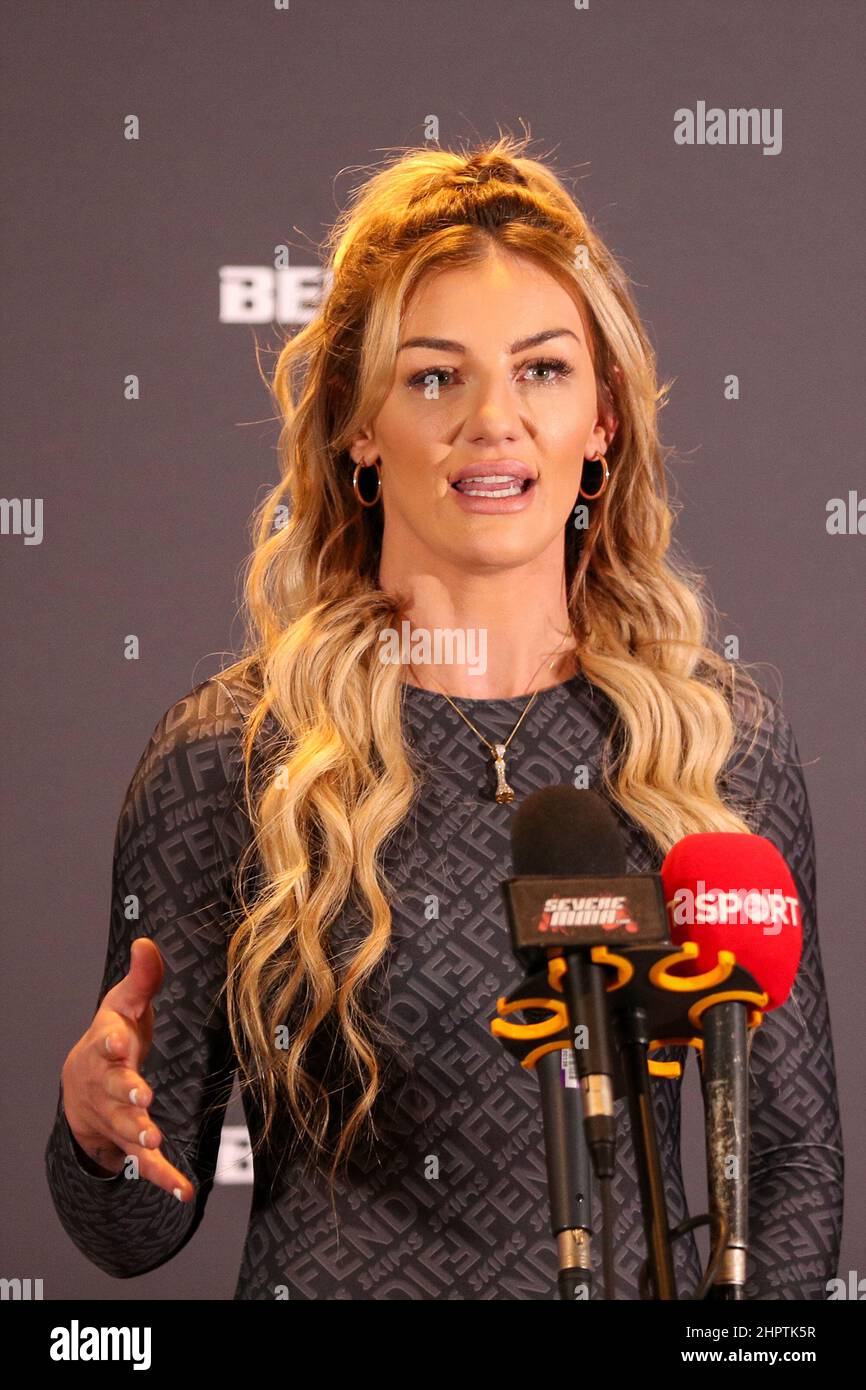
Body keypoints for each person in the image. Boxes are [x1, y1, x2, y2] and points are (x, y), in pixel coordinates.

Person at [45, 136, 843, 1300]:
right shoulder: (233, 757)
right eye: (432, 377)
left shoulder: (715, 749)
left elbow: (790, 1164)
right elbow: (130, 1230)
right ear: (359, 427)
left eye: (541, 370)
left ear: (603, 418)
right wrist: (95, 1131)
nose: (492, 420)